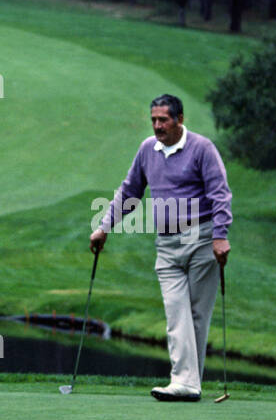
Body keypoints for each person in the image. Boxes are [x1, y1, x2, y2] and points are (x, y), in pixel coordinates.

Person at [91, 94, 232, 401]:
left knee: (197, 314)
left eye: (163, 120)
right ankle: (186, 382)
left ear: (179, 120)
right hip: (166, 244)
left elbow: (221, 194)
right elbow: (129, 191)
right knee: (175, 311)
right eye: (153, 119)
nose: (157, 125)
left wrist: (220, 236)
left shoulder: (202, 149)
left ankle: (187, 384)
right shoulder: (147, 150)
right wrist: (104, 226)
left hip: (201, 238)